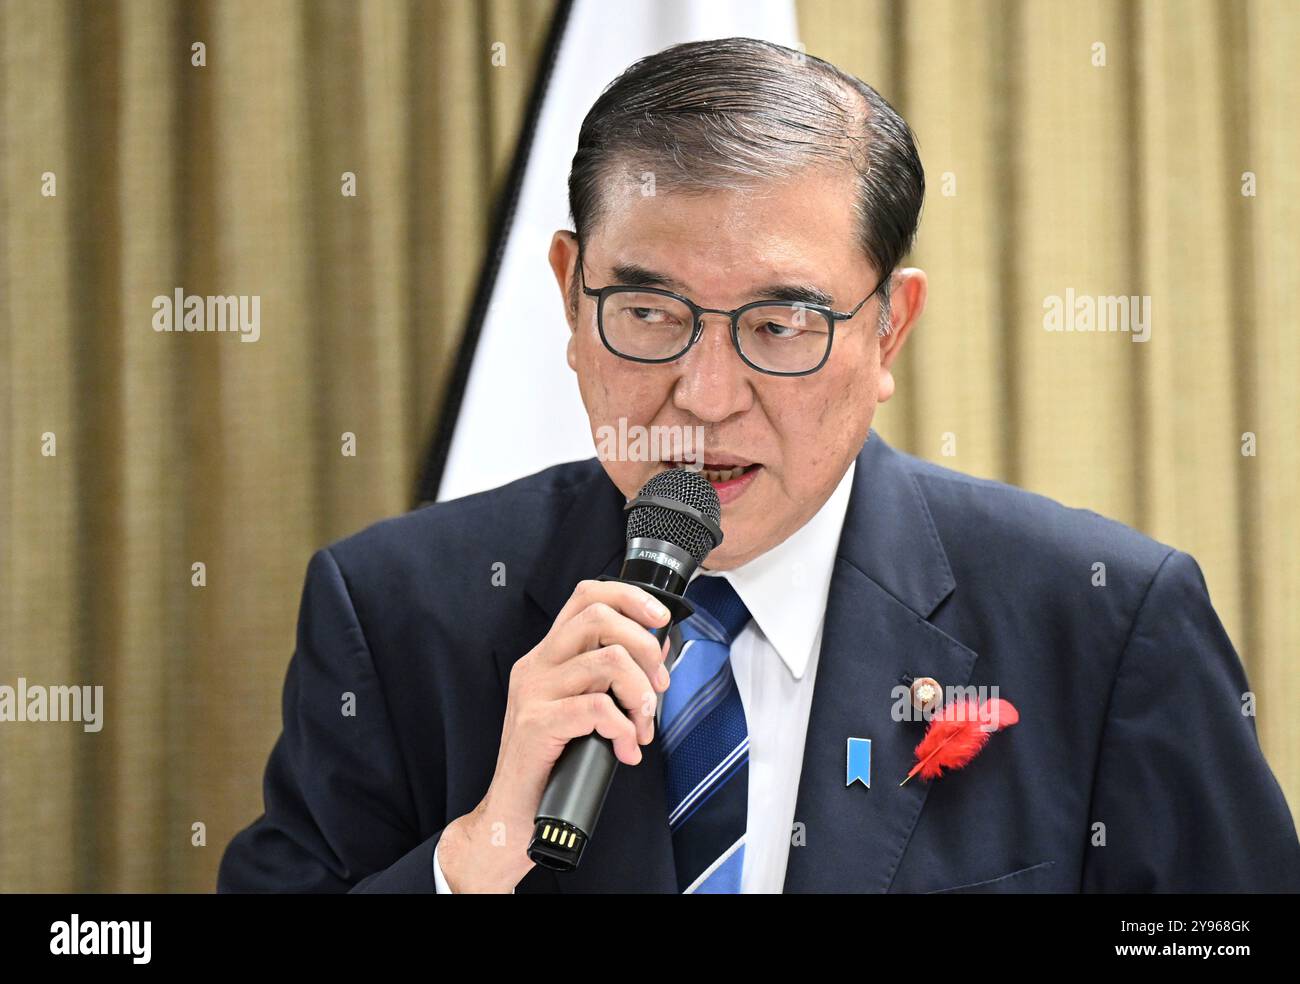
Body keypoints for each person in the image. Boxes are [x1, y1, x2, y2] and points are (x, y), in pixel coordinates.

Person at [218, 37, 1299, 893]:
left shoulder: (1103, 618)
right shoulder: (398, 607)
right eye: (648, 313)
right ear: (567, 293)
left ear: (888, 331)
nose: (703, 395)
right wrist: (476, 857)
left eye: (779, 326)